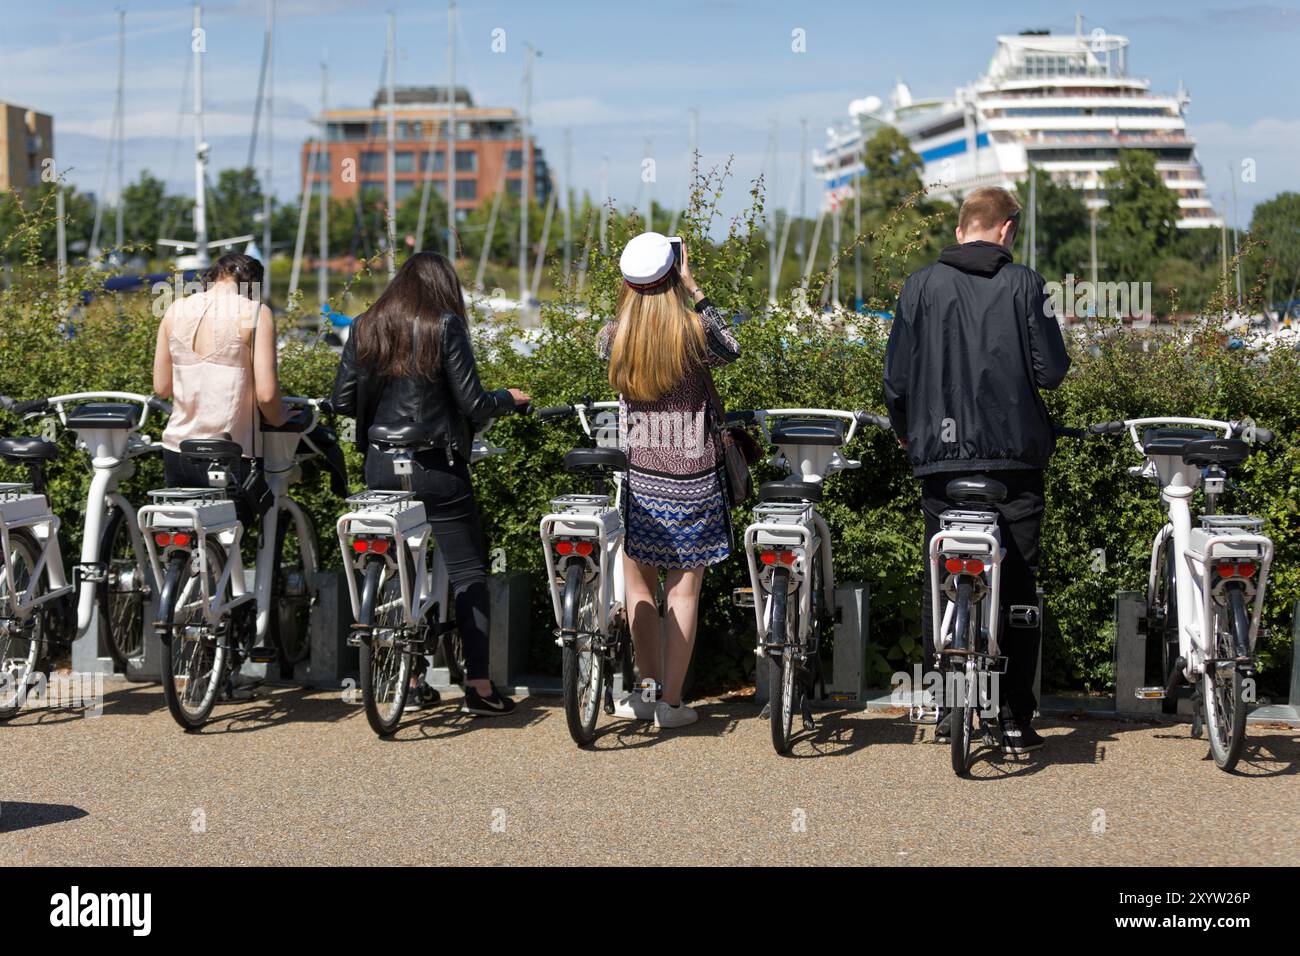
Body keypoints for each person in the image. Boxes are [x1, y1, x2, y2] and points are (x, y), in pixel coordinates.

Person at [883, 186, 1071, 754]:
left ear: (962, 227)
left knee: (941, 581)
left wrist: (907, 431)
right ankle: (1013, 716)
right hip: (1014, 463)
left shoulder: (919, 287)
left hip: (941, 466)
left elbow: (896, 380)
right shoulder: (1027, 285)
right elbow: (1052, 372)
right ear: (1007, 229)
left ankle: (946, 709)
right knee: (1019, 587)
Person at [331, 251, 530, 717]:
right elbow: (473, 402)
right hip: (435, 465)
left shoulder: (365, 325)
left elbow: (341, 400)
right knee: (466, 571)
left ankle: (411, 677)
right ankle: (478, 687)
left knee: (401, 565)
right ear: (445, 288)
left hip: (381, 465)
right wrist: (510, 399)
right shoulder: (444, 326)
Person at [598, 232, 740, 729]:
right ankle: (672, 706)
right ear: (671, 271)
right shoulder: (694, 332)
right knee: (683, 592)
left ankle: (645, 691)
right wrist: (694, 287)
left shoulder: (615, 337)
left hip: (642, 478)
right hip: (694, 478)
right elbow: (732, 346)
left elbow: (606, 343)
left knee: (638, 587)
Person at [153, 253, 287, 657]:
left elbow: (161, 387)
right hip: (232, 453)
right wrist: (283, 417)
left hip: (178, 448)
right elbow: (266, 396)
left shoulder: (175, 310)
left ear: (213, 278)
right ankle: (238, 639)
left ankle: (200, 642)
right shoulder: (256, 314)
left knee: (195, 540)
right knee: (238, 537)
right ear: (253, 284)